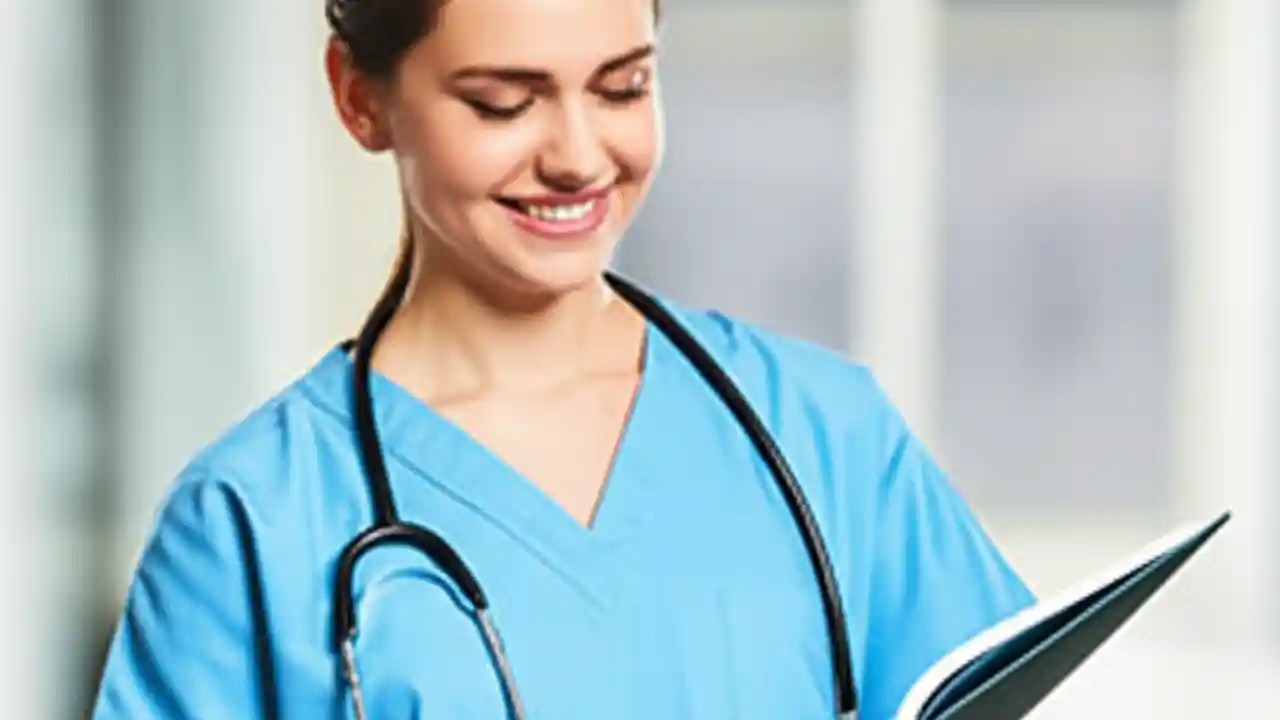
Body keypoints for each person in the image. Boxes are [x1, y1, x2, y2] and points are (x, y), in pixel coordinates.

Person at [91, 0, 1036, 717]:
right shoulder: (253, 519)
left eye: (623, 86)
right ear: (358, 96)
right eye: (504, 103)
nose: (579, 157)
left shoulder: (826, 436)